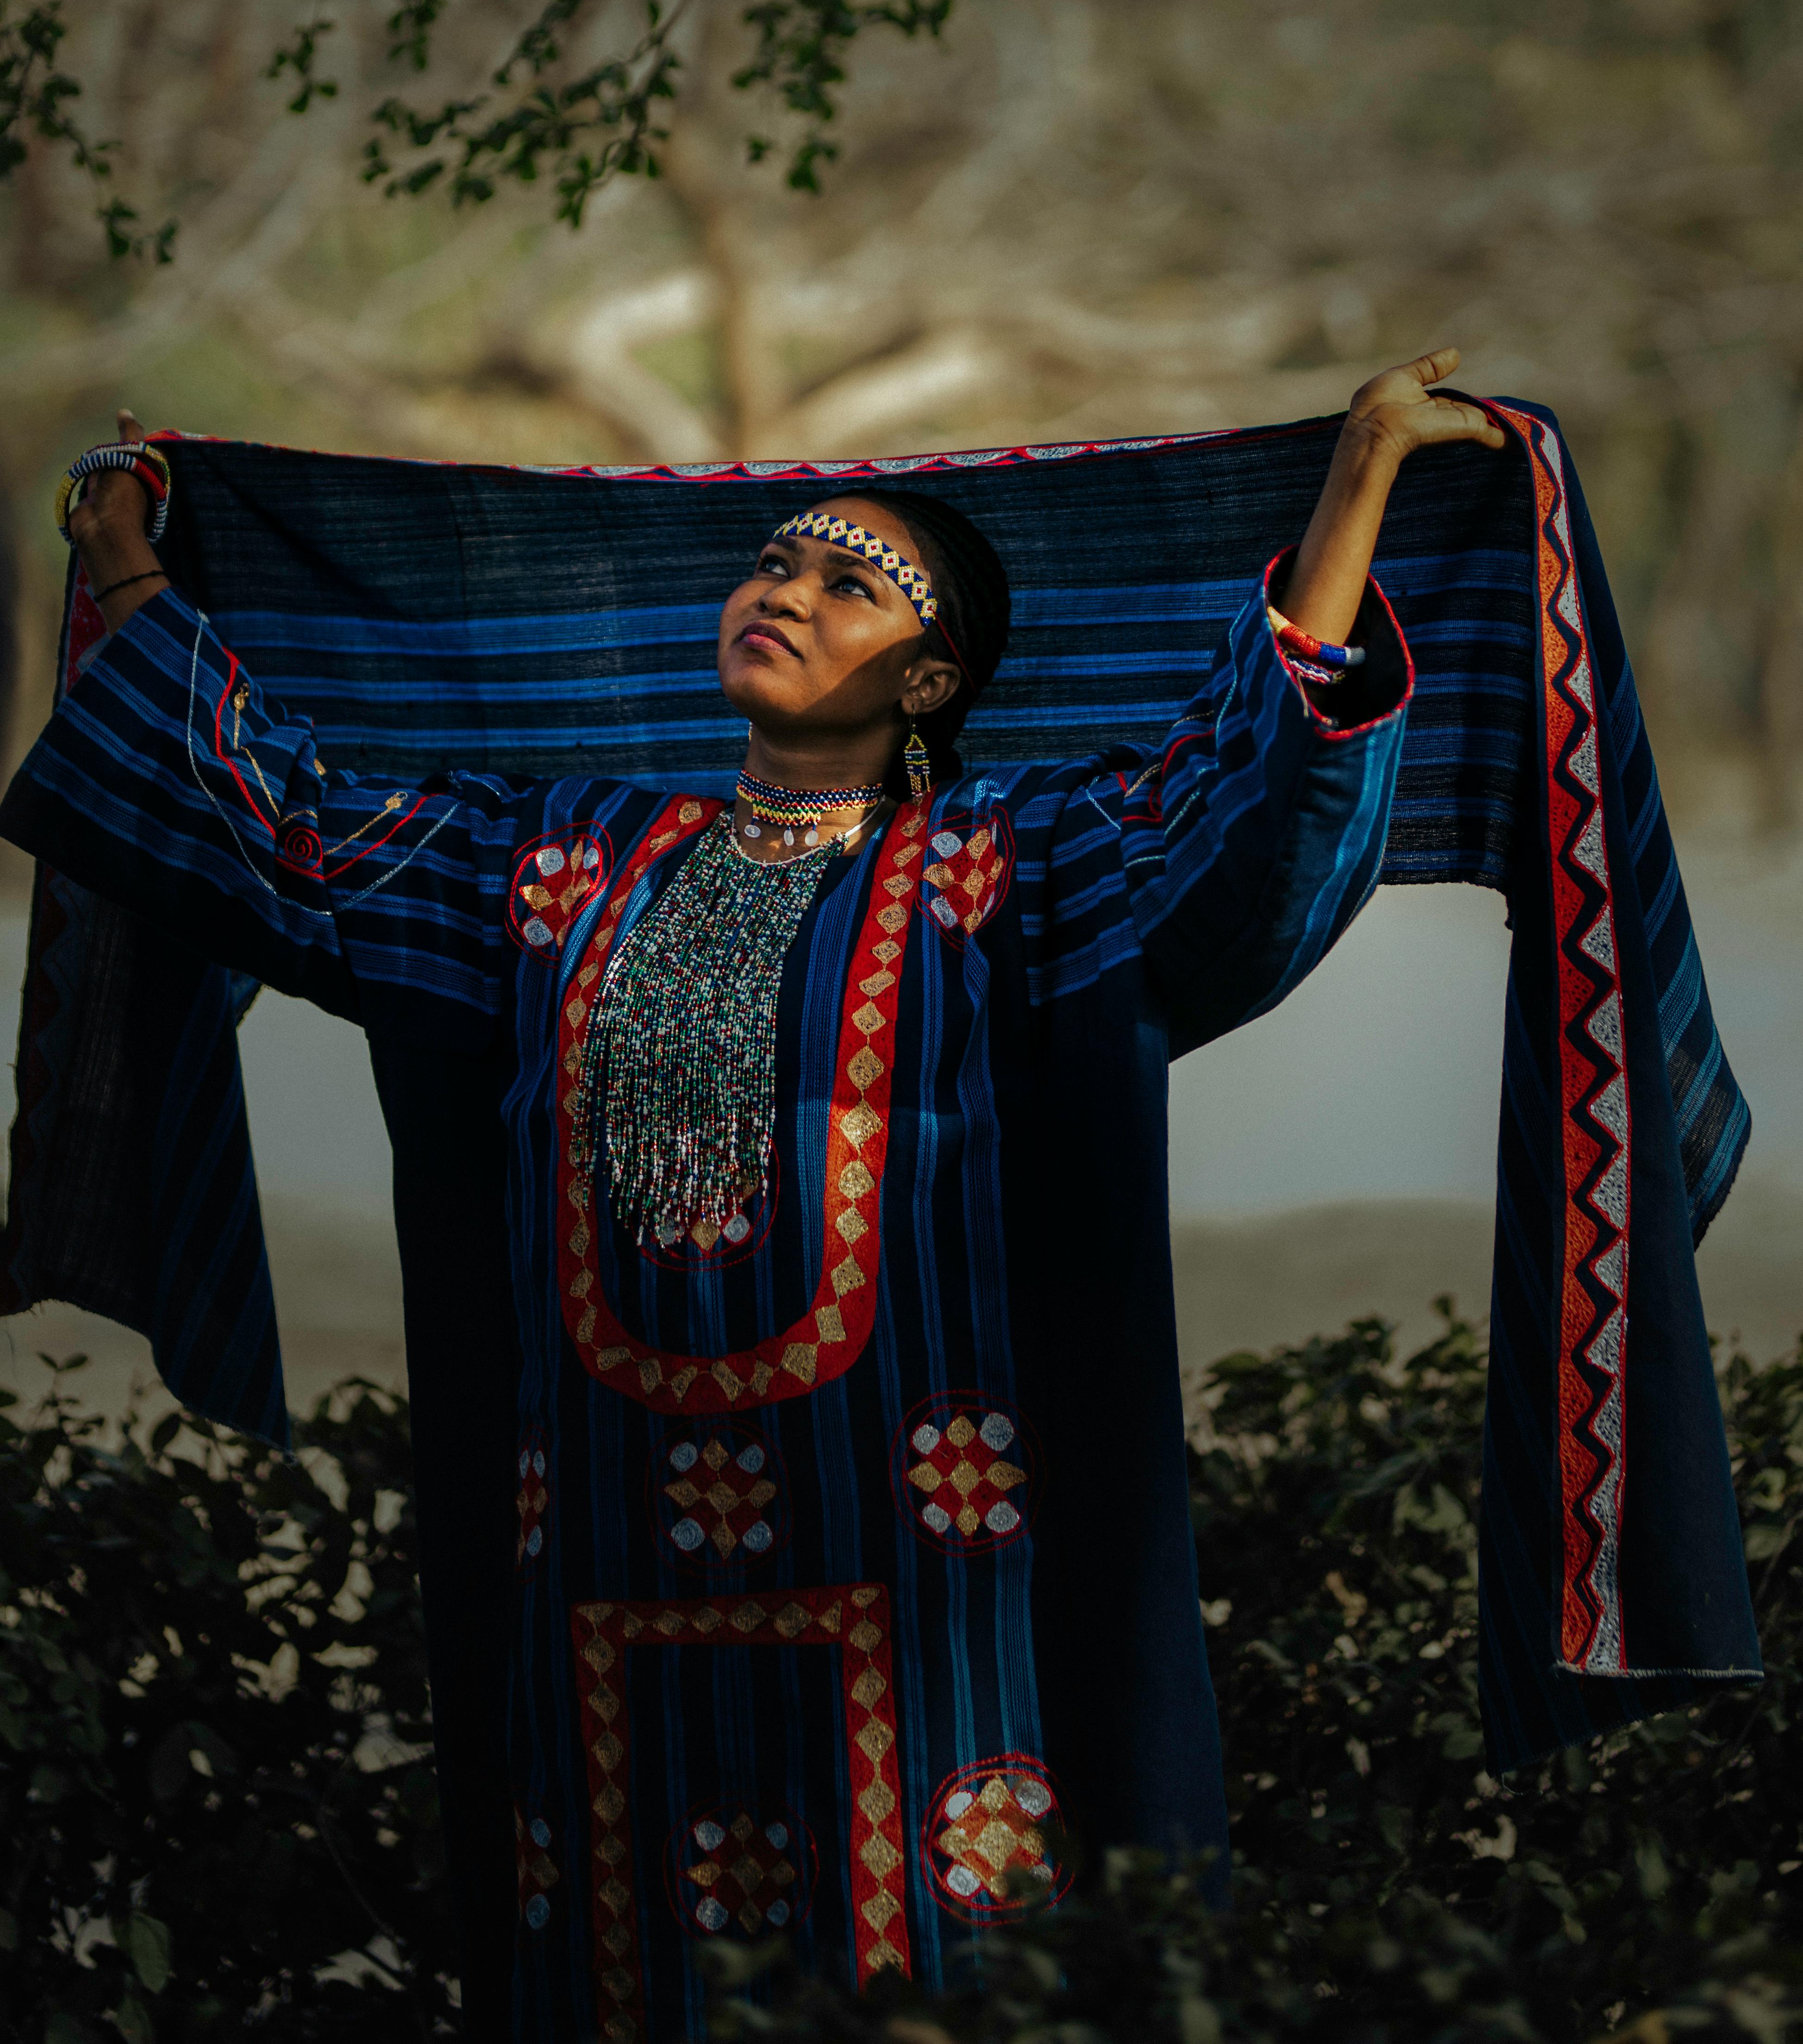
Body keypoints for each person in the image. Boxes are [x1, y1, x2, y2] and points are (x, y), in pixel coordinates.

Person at [3, 353, 1503, 2040]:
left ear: (929, 677)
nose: (783, 591)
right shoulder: (557, 865)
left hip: (929, 1571)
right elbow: (277, 823)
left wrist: (1359, 470)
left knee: (947, 1977)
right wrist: (123, 547)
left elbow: (1242, 778)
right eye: (774, 562)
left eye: (847, 584)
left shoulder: (1004, 868)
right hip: (602, 1564)